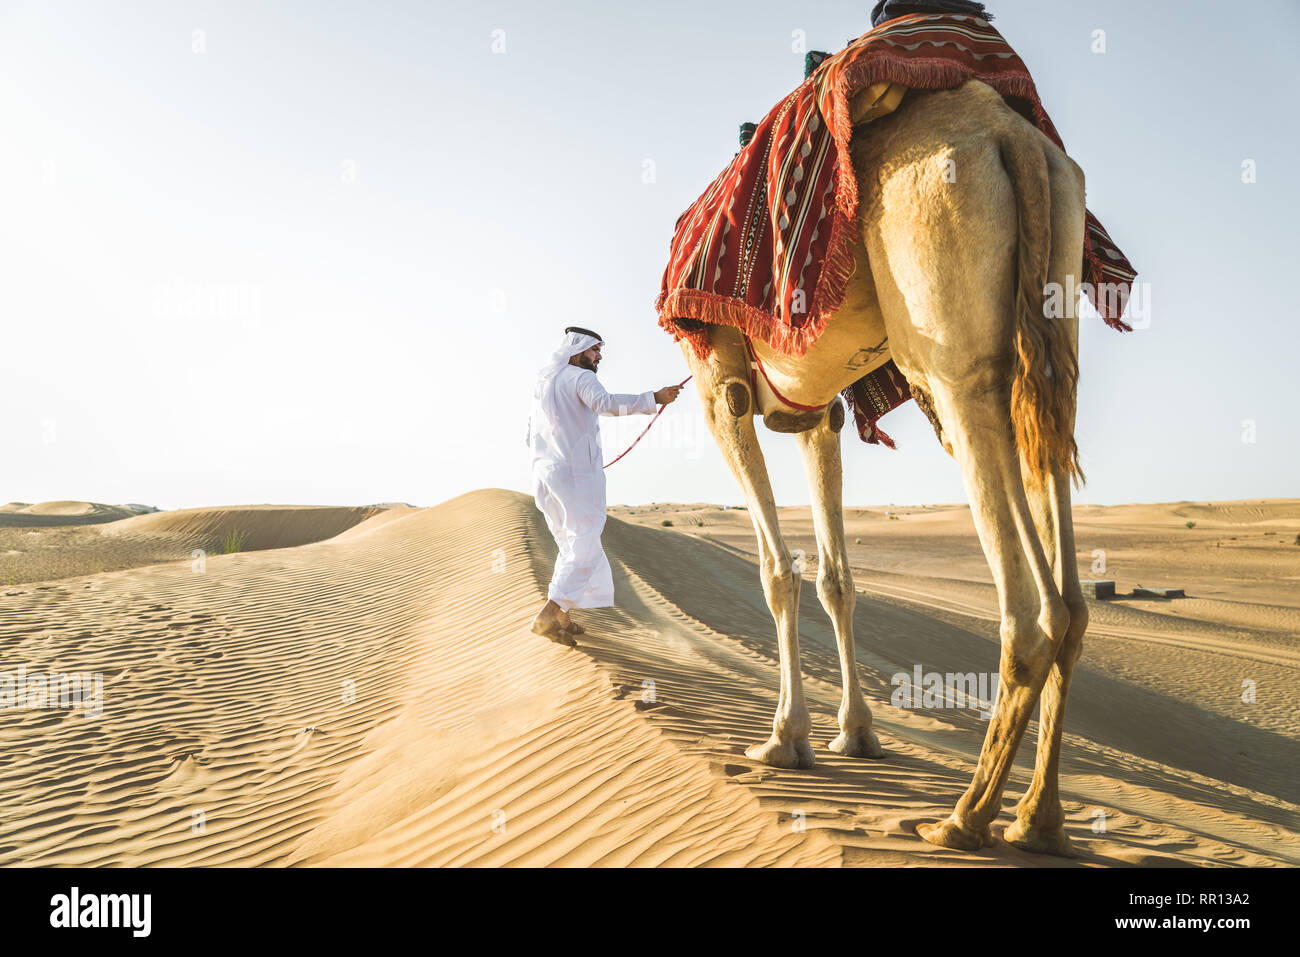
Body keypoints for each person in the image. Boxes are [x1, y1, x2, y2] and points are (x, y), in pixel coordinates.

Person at [527, 326, 682, 645]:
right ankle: (549, 612)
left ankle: (562, 617)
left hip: (544, 474)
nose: (599, 357)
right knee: (583, 541)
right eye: (594, 350)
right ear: (577, 351)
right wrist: (654, 398)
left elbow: (530, 433)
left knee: (568, 543)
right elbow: (606, 404)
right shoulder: (581, 378)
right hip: (575, 476)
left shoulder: (543, 380)